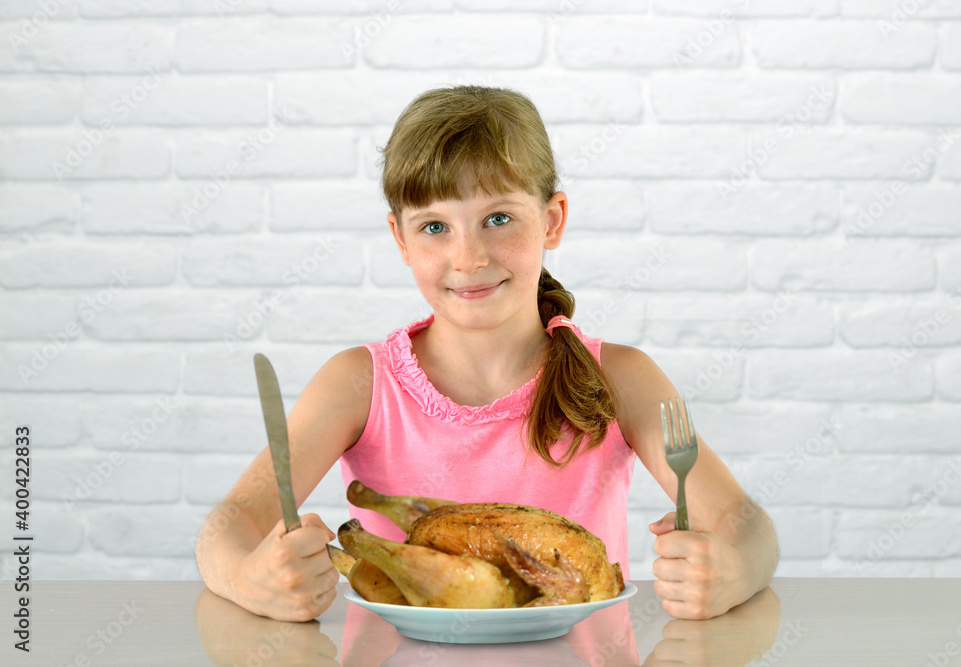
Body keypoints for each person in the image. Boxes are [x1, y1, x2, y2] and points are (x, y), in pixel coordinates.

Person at [195, 85, 779, 623]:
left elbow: (746, 525)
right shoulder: (361, 383)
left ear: (552, 220)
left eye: (498, 218)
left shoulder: (620, 377)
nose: (469, 257)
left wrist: (734, 570)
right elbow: (228, 526)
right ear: (399, 238)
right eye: (434, 228)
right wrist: (250, 578)